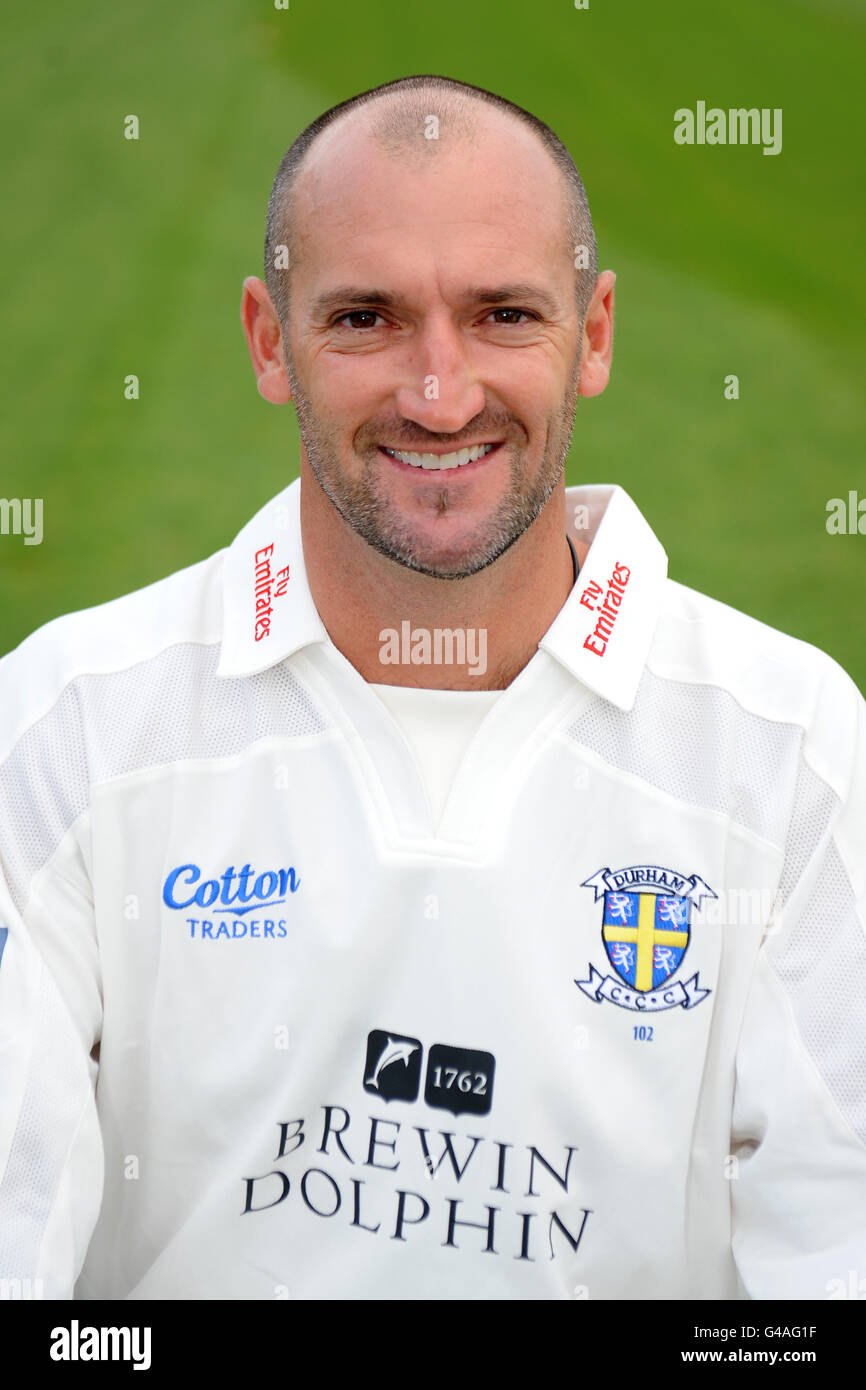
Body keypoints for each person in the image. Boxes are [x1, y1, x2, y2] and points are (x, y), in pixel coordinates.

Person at [0, 73, 863, 1302]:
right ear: (267, 340)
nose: (439, 392)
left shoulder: (793, 751)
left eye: (504, 314)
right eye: (365, 319)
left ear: (596, 333)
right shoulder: (66, 728)